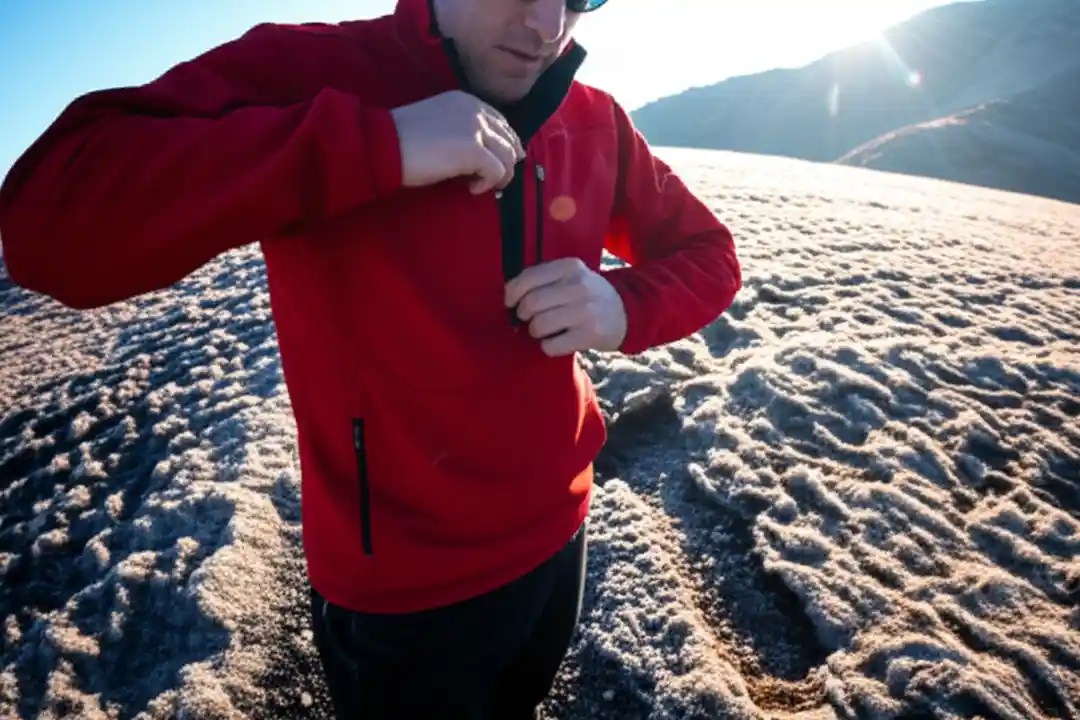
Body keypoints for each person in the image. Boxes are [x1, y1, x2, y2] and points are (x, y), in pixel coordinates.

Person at [0, 0, 740, 717]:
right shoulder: (318, 70)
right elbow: (47, 226)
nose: (548, 25)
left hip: (560, 533)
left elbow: (710, 254)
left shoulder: (594, 117)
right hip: (405, 599)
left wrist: (623, 306)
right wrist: (375, 144)